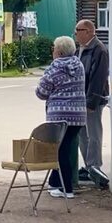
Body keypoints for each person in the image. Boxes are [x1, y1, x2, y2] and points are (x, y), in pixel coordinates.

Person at [34, 36, 86, 199]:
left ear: (59, 51)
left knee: (59, 150)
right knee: (65, 148)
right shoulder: (79, 64)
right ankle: (55, 183)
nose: (53, 51)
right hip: (78, 115)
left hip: (59, 115)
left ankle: (66, 188)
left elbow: (41, 92)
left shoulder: (55, 67)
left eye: (54, 48)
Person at [74, 19, 109, 186]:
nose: (75, 33)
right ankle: (88, 167)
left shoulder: (98, 49)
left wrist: (91, 102)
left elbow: (99, 78)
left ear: (88, 31)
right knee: (81, 133)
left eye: (78, 30)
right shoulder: (80, 49)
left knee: (93, 133)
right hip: (80, 98)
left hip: (93, 99)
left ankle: (95, 166)